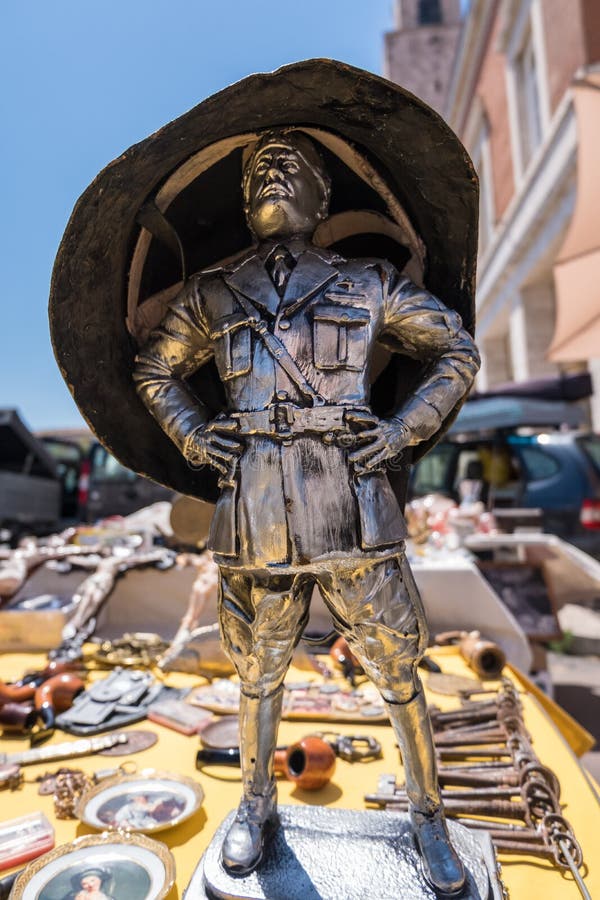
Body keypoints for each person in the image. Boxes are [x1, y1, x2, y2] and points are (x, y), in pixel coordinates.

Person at [134, 128, 480, 895]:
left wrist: (400, 431)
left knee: (396, 664)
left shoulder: (368, 281)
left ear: (323, 201)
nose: (272, 173)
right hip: (254, 507)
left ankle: (428, 814)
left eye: (291, 167)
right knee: (257, 672)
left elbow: (456, 351)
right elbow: (155, 369)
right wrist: (194, 434)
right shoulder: (214, 294)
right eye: (259, 169)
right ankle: (256, 803)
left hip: (353, 503)